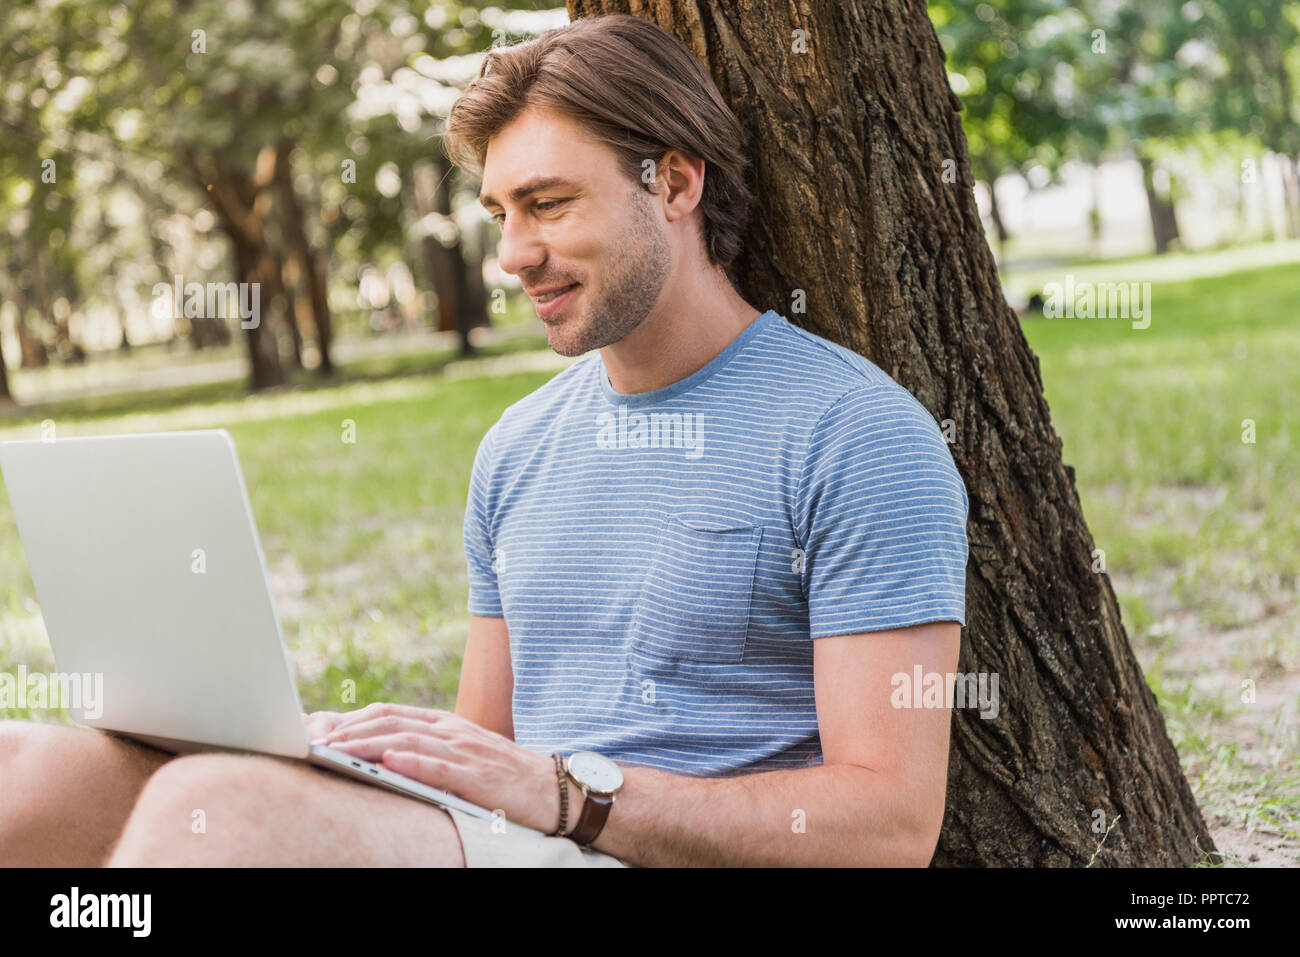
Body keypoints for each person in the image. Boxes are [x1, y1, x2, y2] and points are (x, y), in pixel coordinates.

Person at [0, 13, 967, 868]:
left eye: (549, 204)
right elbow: (482, 748)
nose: (512, 254)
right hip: (523, 839)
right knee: (34, 766)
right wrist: (350, 753)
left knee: (218, 807)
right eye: (501, 214)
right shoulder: (519, 446)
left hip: (639, 846)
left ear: (674, 183)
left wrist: (571, 793)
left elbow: (888, 824)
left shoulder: (856, 436)